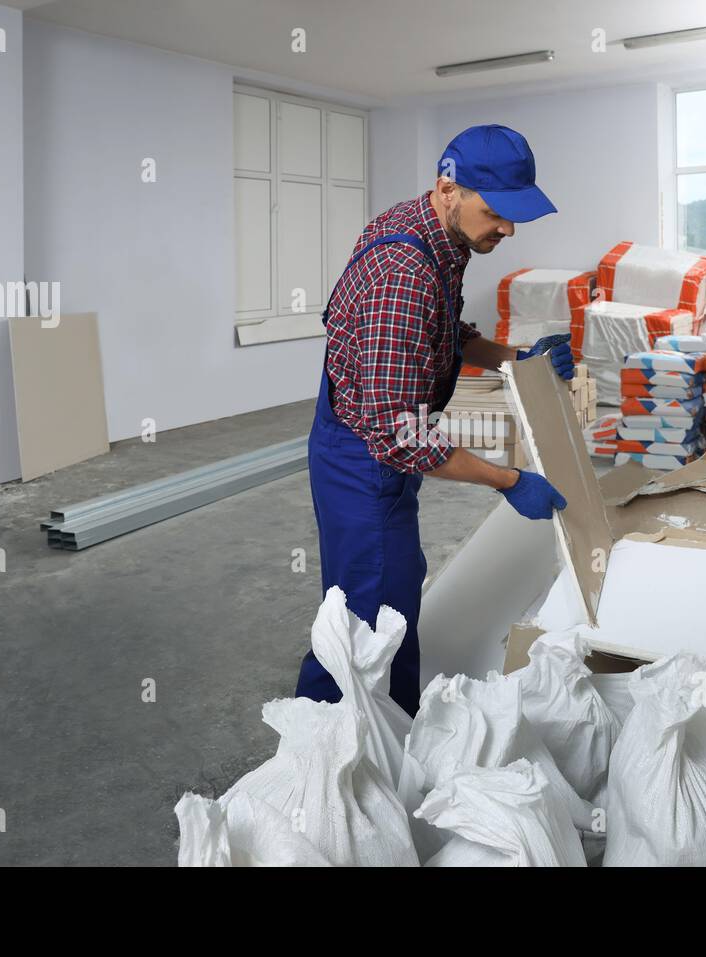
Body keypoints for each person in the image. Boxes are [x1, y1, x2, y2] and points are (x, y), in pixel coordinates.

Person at [295, 124, 573, 717]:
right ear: (449, 188)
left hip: (370, 440)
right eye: (496, 211)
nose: (507, 228)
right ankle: (318, 765)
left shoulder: (435, 236)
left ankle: (390, 742)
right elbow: (399, 435)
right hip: (365, 459)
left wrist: (516, 358)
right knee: (366, 624)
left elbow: (445, 334)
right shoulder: (405, 271)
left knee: (390, 600)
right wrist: (508, 480)